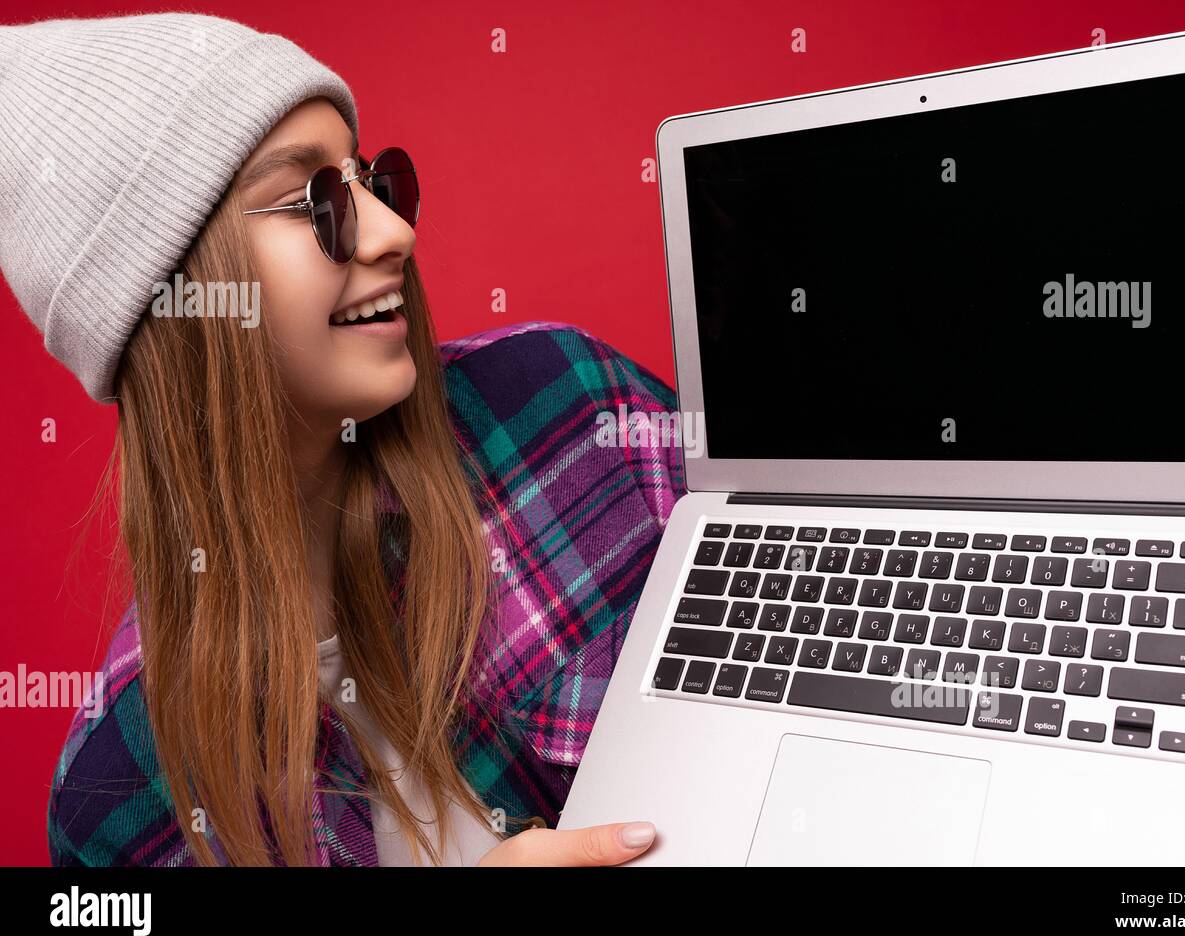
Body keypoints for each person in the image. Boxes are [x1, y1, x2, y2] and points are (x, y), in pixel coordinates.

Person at [0, 12, 684, 865]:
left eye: (370, 180)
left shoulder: (573, 409)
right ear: (179, 306)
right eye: (314, 202)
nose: (393, 232)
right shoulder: (116, 800)